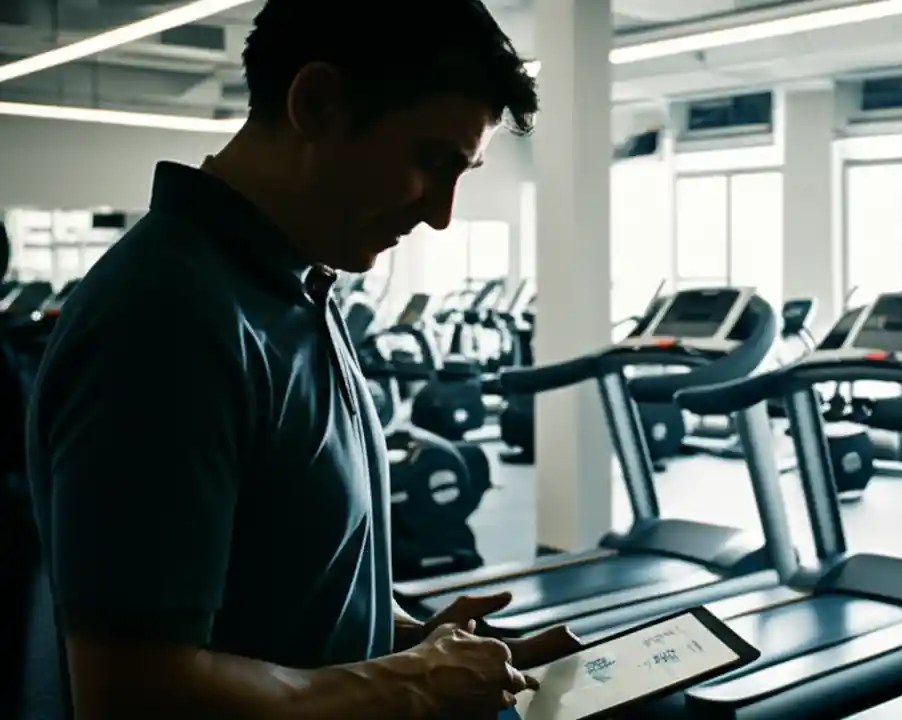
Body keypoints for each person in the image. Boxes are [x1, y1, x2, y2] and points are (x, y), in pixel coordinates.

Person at [25, 1, 579, 718]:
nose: (442, 212)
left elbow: (275, 605)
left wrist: (414, 641)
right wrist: (411, 682)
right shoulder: (168, 318)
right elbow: (134, 690)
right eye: (432, 161)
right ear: (315, 105)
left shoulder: (299, 284)